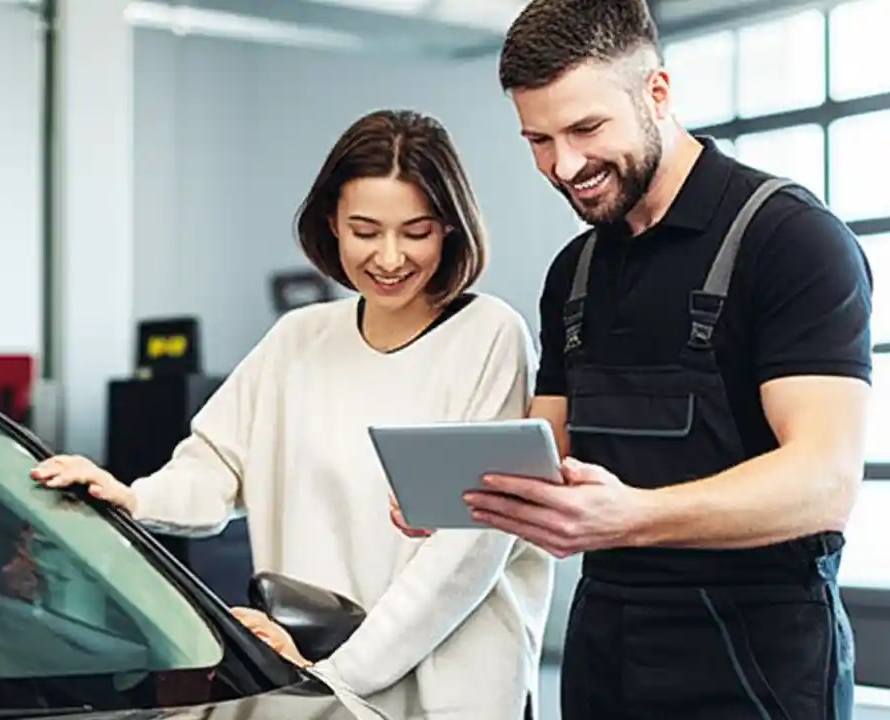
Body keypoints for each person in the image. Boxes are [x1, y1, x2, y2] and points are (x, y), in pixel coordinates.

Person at [395, 1, 873, 718]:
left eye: (587, 129)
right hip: (606, 642)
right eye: (539, 139)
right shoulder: (575, 273)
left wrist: (632, 517)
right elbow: (547, 447)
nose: (565, 165)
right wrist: (467, 489)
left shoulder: (791, 241)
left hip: (757, 653)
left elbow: (825, 481)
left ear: (657, 92)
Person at [30, 109, 554, 720]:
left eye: (416, 232)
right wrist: (135, 500)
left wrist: (339, 673)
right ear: (331, 223)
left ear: (450, 229)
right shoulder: (298, 339)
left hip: (442, 691)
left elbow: (469, 549)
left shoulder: (489, 335)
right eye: (365, 230)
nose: (389, 257)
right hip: (310, 681)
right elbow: (216, 464)